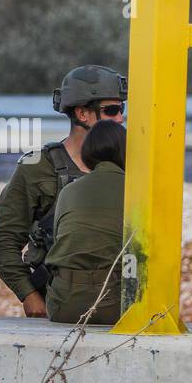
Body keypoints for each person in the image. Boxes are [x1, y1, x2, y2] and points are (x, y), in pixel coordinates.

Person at [0, 65, 126, 316]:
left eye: (121, 109)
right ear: (83, 113)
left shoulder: (131, 166)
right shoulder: (37, 167)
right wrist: (28, 295)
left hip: (120, 303)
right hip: (59, 303)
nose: (120, 118)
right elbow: (3, 240)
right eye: (111, 110)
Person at [45, 119, 127, 325]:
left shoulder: (68, 191)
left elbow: (59, 239)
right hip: (116, 305)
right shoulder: (136, 192)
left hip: (64, 306)